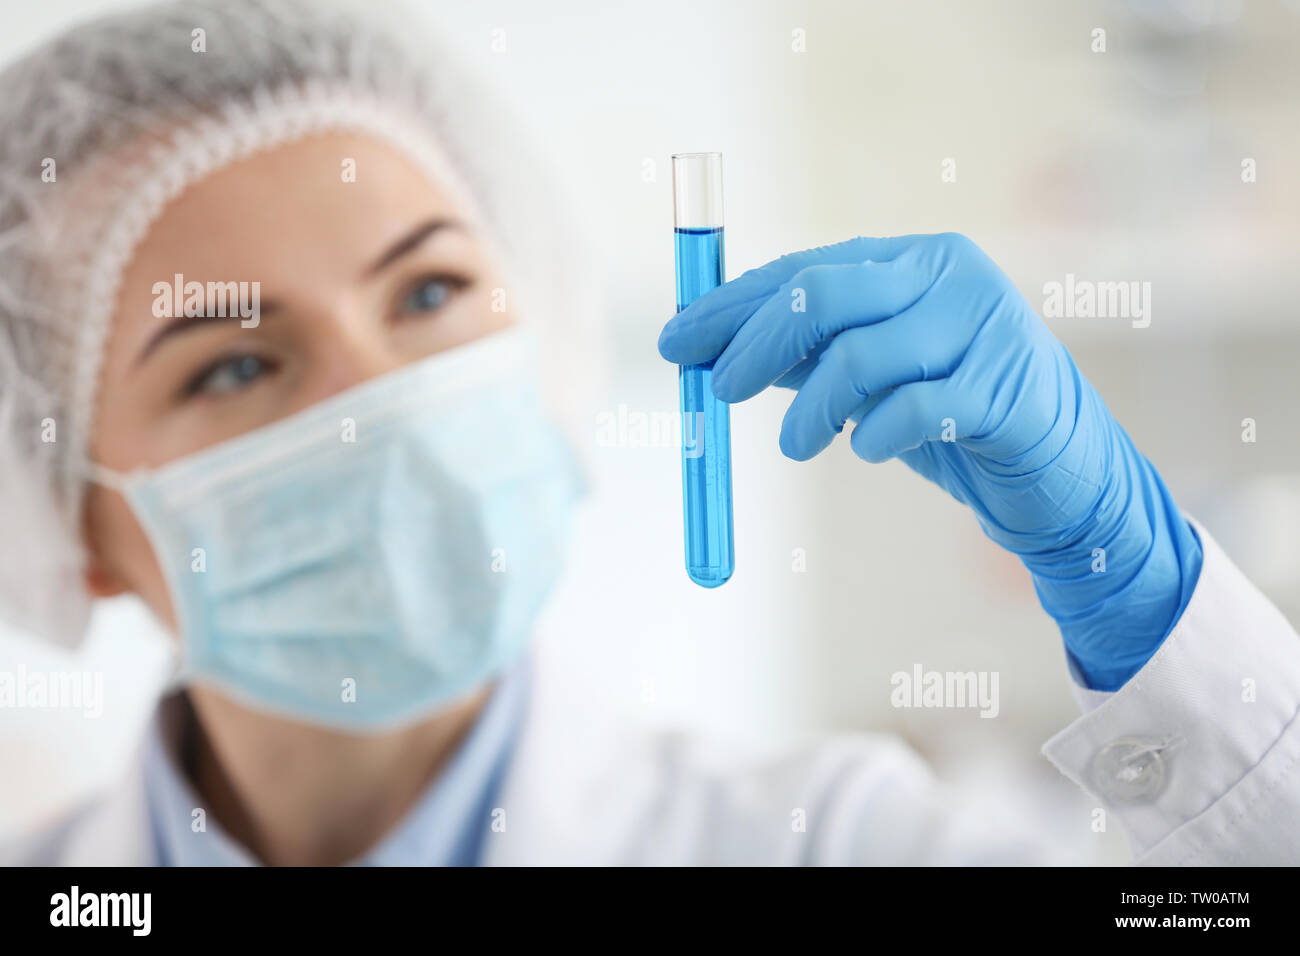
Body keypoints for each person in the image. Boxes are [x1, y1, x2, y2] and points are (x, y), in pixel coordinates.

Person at [1, 0, 1297, 867]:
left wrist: (1146, 598)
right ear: (64, 520)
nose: (373, 401)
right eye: (235, 363)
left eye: (432, 291)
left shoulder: (829, 840)